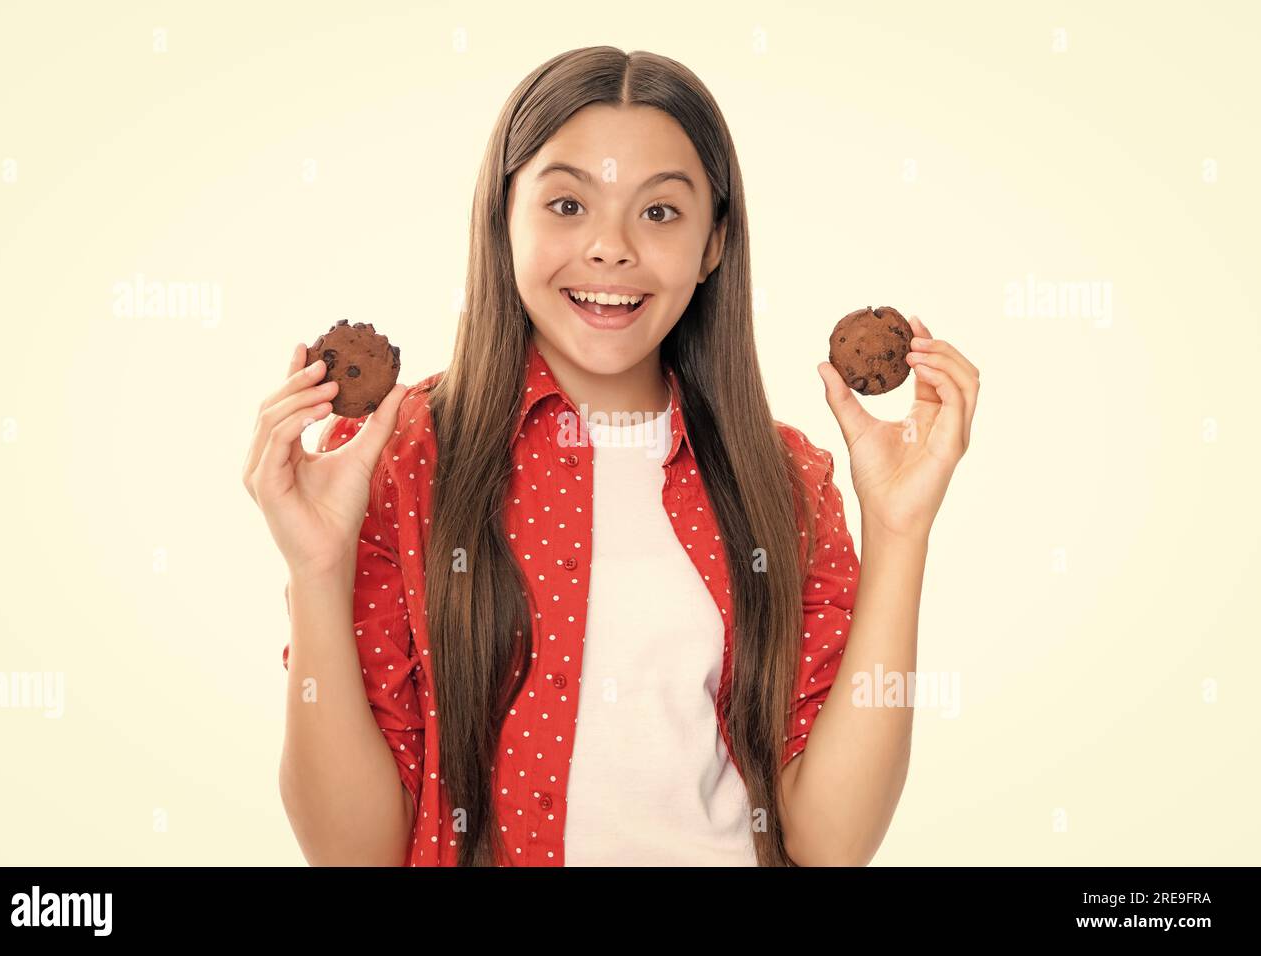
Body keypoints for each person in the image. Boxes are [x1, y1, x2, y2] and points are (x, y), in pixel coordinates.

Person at [242, 46, 979, 867]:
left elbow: (829, 841)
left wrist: (900, 529)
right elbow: (353, 854)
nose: (610, 248)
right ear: (503, 218)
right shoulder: (395, 461)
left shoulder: (787, 481)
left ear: (713, 245)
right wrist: (316, 567)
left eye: (659, 212)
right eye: (566, 204)